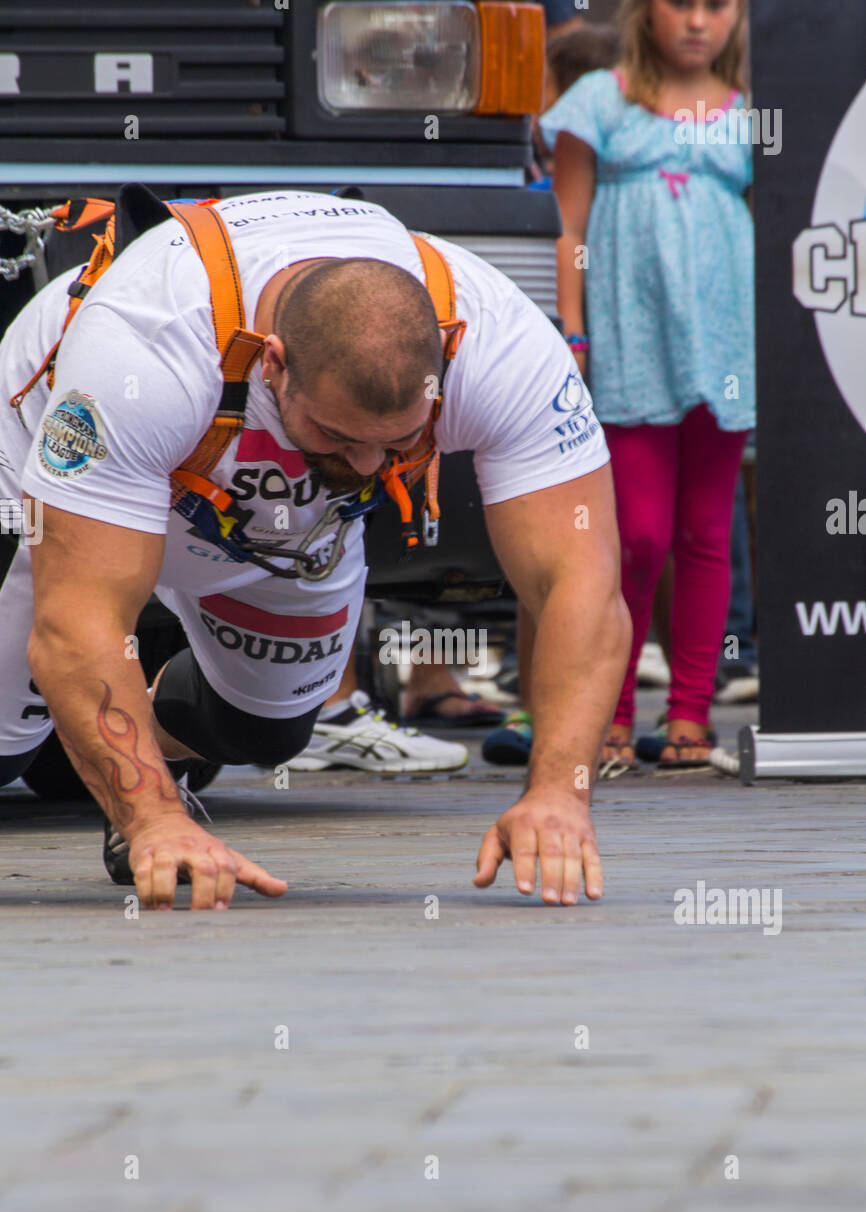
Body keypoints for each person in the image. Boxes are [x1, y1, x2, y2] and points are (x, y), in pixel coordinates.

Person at [0, 188, 630, 910]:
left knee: (263, 730)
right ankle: (72, 732)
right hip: (55, 487)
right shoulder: (147, 344)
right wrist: (153, 821)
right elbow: (75, 619)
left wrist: (557, 791)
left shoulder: (505, 342)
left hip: (280, 526)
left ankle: (123, 718)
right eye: (338, 436)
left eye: (398, 445)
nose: (368, 467)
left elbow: (578, 582)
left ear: (447, 357)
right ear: (275, 364)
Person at [541, 0, 755, 772]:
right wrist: (572, 333)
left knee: (705, 531)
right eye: (681, 4)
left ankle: (691, 712)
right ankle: (611, 709)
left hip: (725, 339)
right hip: (631, 338)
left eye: (719, 6)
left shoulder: (753, 114)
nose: (699, 21)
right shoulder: (600, 100)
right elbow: (570, 226)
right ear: (644, 13)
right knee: (636, 535)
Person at [486, 19, 620, 767]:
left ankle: (590, 714)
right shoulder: (540, 177)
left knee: (578, 551)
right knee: (554, 547)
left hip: (620, 365)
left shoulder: (592, 161)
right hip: (564, 355)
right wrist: (571, 337)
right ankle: (541, 708)